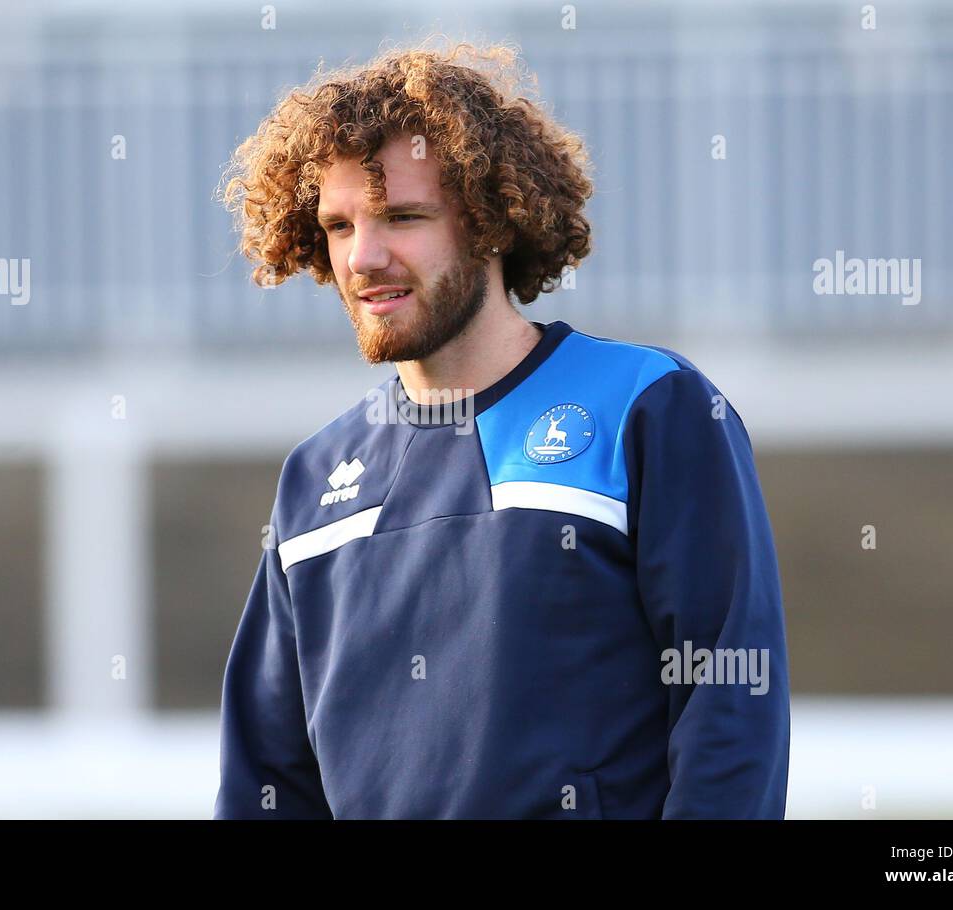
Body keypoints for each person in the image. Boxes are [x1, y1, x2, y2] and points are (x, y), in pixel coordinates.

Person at [212, 40, 790, 819]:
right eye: (340, 226)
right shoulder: (314, 478)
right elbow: (267, 779)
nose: (364, 257)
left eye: (403, 217)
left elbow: (729, 702)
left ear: (491, 221)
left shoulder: (650, 406)